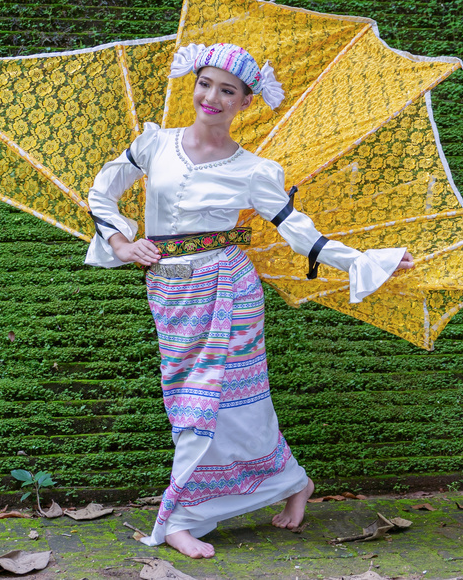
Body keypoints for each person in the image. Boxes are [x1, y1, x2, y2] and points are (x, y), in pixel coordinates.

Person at [84, 43, 415, 559]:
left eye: (227, 90)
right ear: (193, 84)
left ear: (245, 102)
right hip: (170, 291)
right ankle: (292, 481)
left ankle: (183, 517)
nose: (211, 97)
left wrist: (366, 262)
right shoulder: (154, 145)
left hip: (229, 289)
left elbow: (301, 233)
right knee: (199, 400)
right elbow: (102, 192)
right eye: (205, 83)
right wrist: (122, 243)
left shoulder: (254, 170)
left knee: (220, 400)